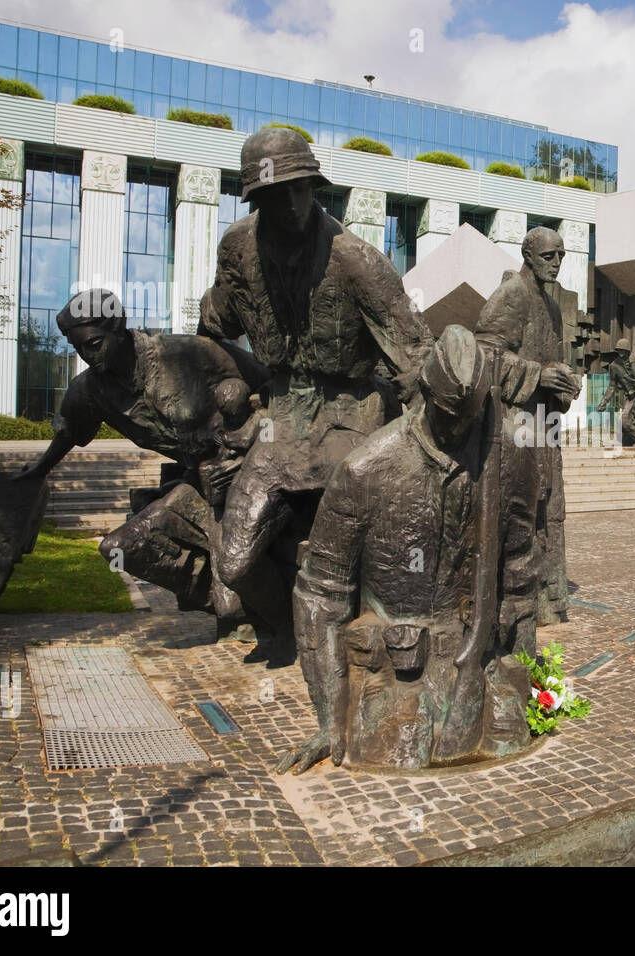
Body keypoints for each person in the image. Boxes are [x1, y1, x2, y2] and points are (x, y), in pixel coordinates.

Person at [197, 126, 433, 665]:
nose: (294, 203)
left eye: (302, 188)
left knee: (356, 543)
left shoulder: (356, 261)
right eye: (277, 194)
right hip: (281, 420)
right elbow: (219, 322)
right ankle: (282, 630)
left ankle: (343, 642)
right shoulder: (238, 247)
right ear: (256, 200)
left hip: (352, 416)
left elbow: (415, 359)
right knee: (233, 564)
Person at [279, 326, 537, 772]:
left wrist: (525, 664)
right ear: (423, 393)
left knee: (507, 724)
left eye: (469, 416)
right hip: (390, 670)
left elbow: (519, 566)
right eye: (447, 414)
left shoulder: (511, 452)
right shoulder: (365, 470)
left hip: (477, 659)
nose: (457, 429)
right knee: (402, 743)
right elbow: (321, 597)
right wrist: (330, 719)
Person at [14, 289, 269, 639]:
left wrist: (252, 442)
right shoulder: (89, 391)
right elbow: (68, 433)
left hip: (254, 469)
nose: (87, 356)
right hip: (201, 484)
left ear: (118, 329)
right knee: (119, 548)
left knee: (240, 582)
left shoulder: (187, 352)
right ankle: (226, 597)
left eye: (94, 344)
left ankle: (252, 609)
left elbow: (271, 387)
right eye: (78, 349)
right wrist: (40, 470)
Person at [474, 227, 580, 625]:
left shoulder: (552, 307)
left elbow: (553, 363)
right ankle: (512, 598)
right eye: (549, 256)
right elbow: (483, 355)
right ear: (528, 256)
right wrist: (537, 375)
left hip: (545, 421)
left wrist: (565, 380)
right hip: (515, 420)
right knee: (519, 505)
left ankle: (547, 597)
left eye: (561, 256)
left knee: (549, 504)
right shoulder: (511, 295)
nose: (556, 263)